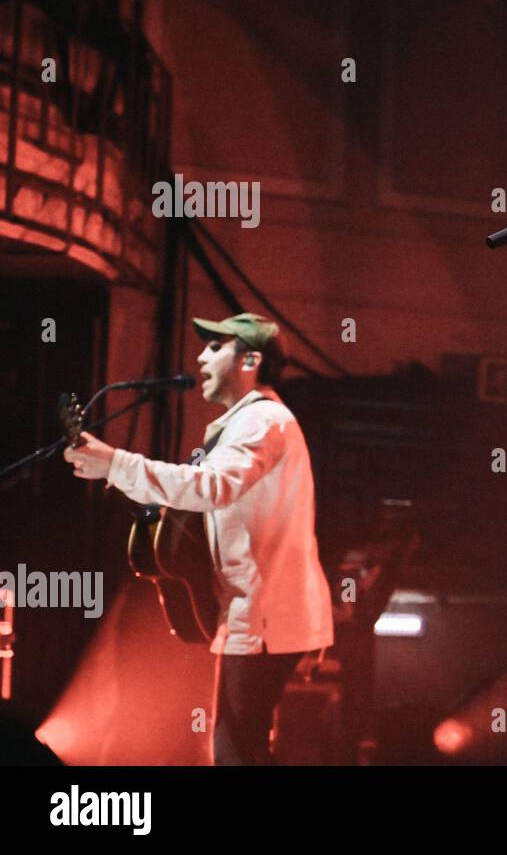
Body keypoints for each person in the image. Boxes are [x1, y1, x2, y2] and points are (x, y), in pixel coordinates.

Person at [65, 312, 334, 765]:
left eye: (215, 347)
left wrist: (116, 463)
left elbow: (210, 488)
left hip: (264, 618)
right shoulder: (254, 420)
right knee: (238, 748)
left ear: (250, 359)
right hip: (259, 613)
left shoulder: (261, 420)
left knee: (236, 753)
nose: (200, 356)